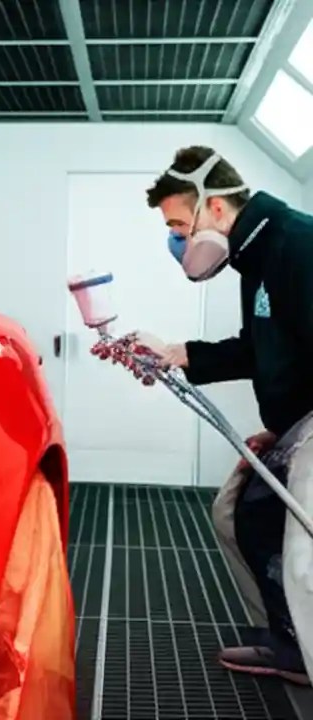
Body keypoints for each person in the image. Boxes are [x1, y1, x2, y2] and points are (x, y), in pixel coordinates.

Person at [140, 145, 313, 685]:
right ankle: (287, 642)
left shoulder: (297, 243)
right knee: (236, 513)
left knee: (303, 557)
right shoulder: (253, 257)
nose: (176, 241)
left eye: (177, 225)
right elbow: (260, 346)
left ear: (215, 208)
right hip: (299, 422)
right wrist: (179, 353)